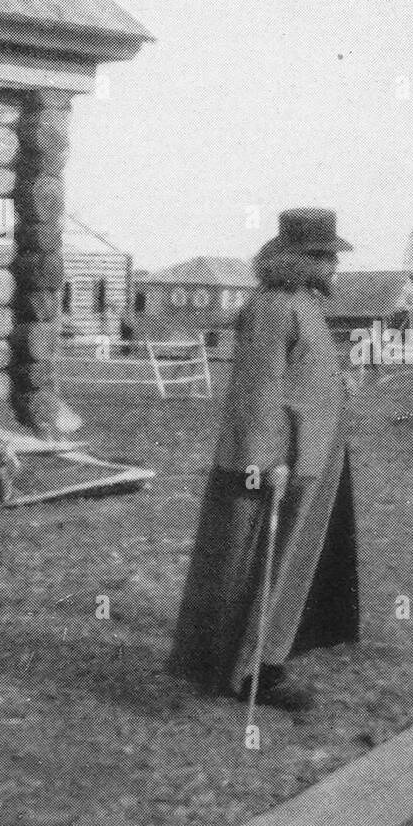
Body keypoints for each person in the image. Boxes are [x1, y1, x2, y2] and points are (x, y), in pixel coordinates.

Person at [166, 209, 359, 711]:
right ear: (297, 261)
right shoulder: (274, 308)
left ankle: (265, 659)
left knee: (290, 566)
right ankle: (247, 673)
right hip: (279, 465)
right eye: (324, 257)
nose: (333, 266)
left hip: (312, 457)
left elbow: (301, 377)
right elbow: (257, 393)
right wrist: (264, 461)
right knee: (255, 567)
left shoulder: (305, 305)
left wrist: (339, 385)